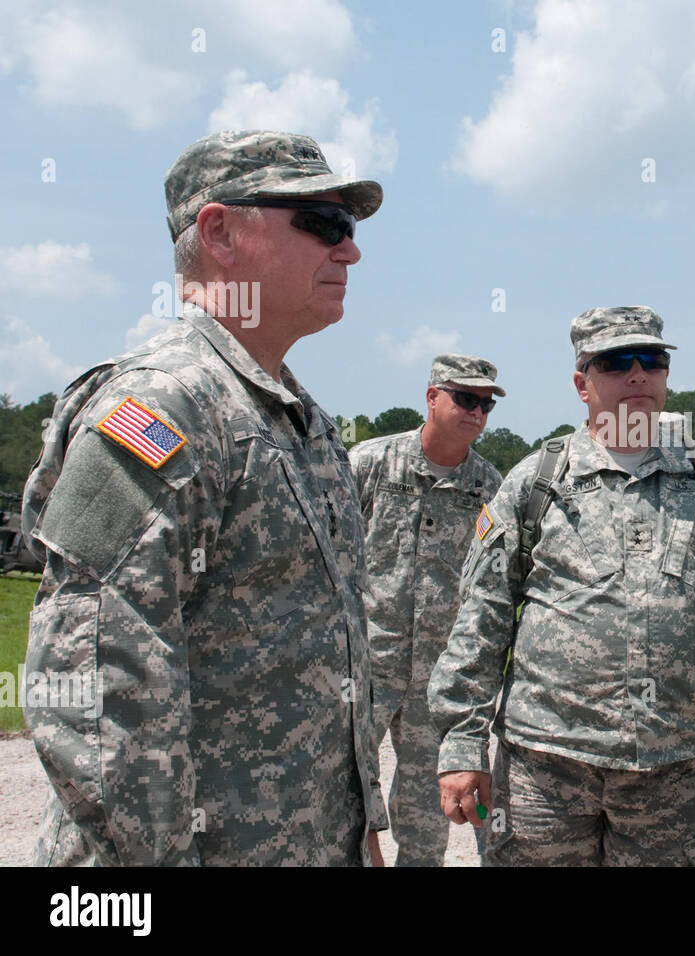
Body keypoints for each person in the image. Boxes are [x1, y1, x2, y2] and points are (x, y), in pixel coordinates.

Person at [22, 130, 389, 865]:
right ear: (220, 233)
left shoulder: (297, 418)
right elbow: (88, 677)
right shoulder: (164, 405)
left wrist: (361, 833)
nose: (349, 251)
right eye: (324, 224)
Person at [428, 306, 695, 866]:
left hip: (668, 769)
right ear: (582, 382)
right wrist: (462, 742)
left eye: (653, 360)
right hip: (544, 765)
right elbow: (482, 617)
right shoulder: (537, 481)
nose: (639, 374)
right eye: (617, 362)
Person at [349, 354, 505, 866]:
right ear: (432, 396)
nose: (476, 412)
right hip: (365, 664)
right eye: (465, 398)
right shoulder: (371, 463)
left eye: (485, 404)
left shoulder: (491, 488)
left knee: (426, 818)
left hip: (439, 676)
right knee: (340, 794)